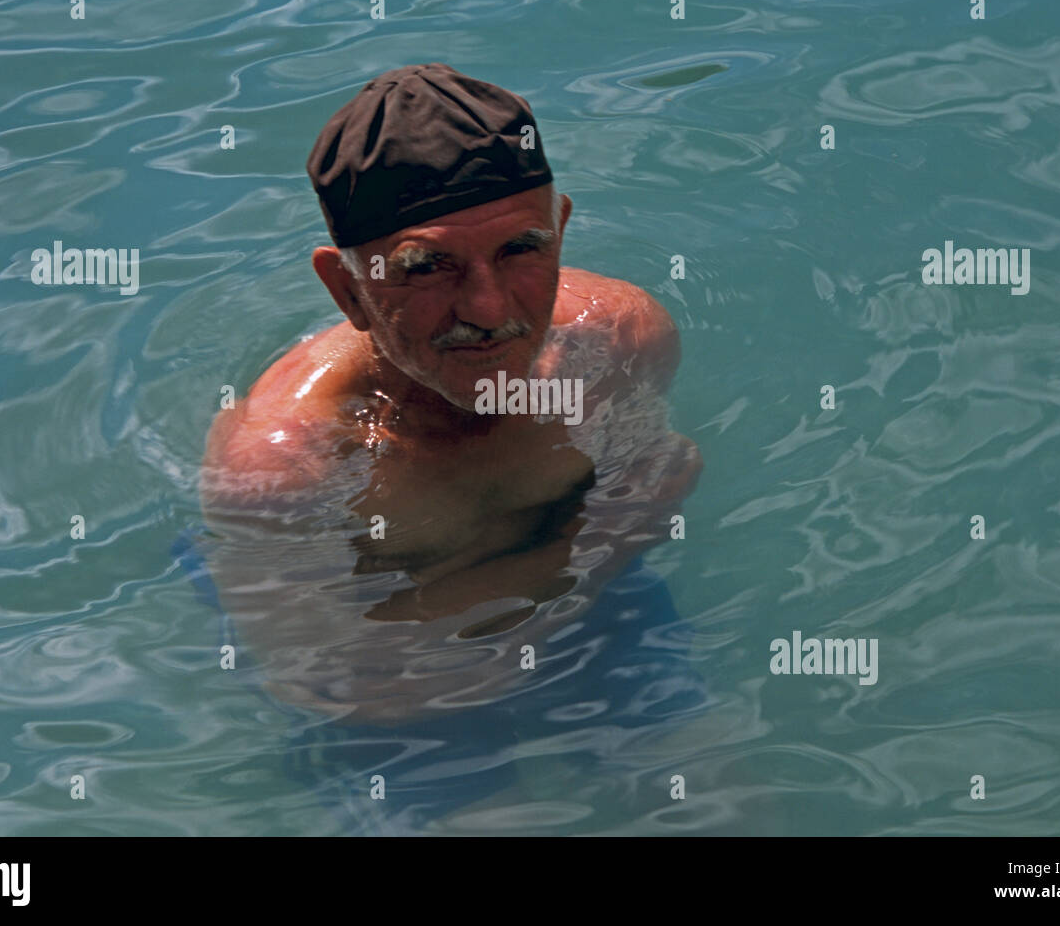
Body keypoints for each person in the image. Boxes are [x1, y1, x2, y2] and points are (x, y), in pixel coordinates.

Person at [198, 63, 702, 731]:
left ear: (562, 231)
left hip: (575, 590)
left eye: (521, 248)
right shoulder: (284, 470)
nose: (489, 308)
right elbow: (339, 690)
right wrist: (603, 542)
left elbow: (646, 488)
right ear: (347, 290)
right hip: (396, 682)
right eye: (427, 267)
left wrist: (553, 573)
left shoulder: (620, 341)